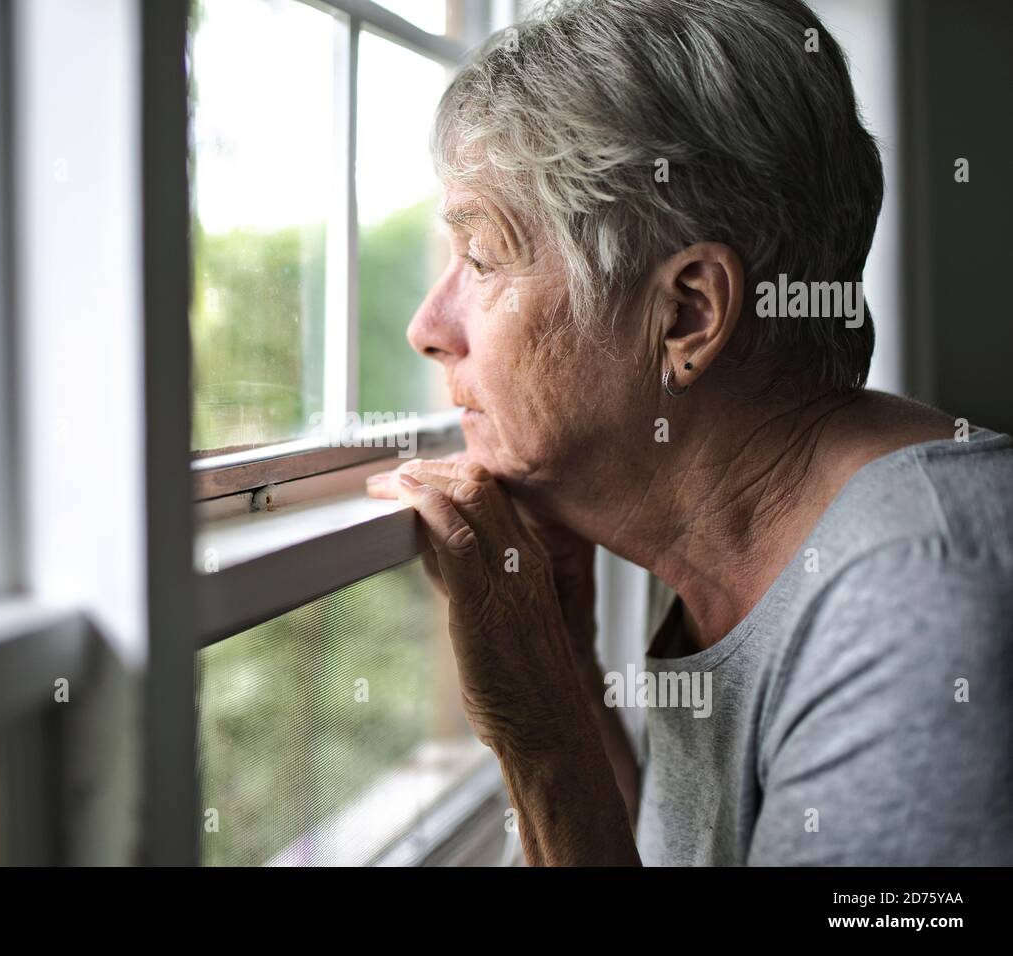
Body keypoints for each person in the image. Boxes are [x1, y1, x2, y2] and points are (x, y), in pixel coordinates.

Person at [367, 0, 1013, 865]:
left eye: (481, 260)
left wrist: (541, 736)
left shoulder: (911, 607)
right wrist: (569, 675)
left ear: (687, 313)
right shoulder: (749, 565)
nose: (426, 325)